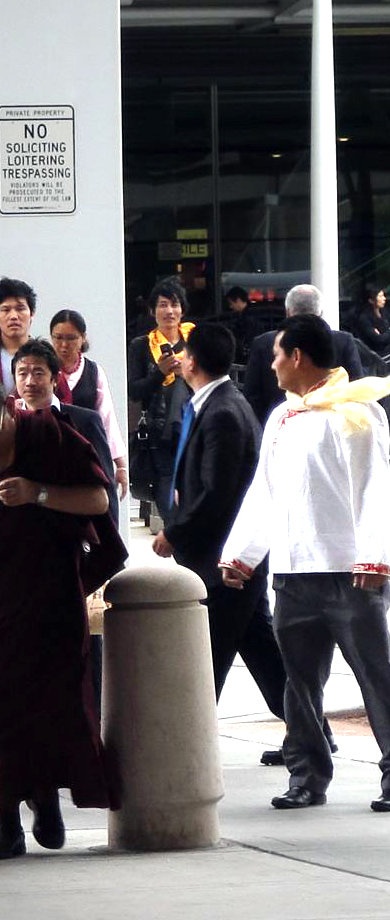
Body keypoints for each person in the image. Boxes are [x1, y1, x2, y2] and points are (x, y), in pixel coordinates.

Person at [0, 373, 123, 860]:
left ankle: (46, 798)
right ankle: (5, 822)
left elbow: (99, 499)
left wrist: (38, 493)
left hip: (47, 599)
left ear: (8, 408)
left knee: (50, 705)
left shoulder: (48, 436)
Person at [220, 315, 390, 812]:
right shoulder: (282, 418)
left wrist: (374, 557)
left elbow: (376, 491)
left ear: (298, 357)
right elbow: (264, 493)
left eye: (276, 354)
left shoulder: (357, 415)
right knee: (299, 685)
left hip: (350, 574)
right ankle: (307, 776)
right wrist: (243, 555)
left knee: (376, 677)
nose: (270, 365)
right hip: (293, 573)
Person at [151, 322, 308, 767]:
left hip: (227, 560)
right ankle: (310, 732)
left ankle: (185, 746)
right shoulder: (215, 404)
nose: (178, 358)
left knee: (209, 655)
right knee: (261, 650)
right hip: (229, 560)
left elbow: (218, 494)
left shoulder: (223, 411)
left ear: (193, 360)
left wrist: (174, 532)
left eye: (182, 353)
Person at [13, 339, 120, 532]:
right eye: (22, 373)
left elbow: (106, 486)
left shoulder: (84, 421)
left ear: (54, 379)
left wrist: (111, 542)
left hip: (74, 529)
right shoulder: (10, 424)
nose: (29, 382)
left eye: (38, 373)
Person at [243, 284, 365, 425]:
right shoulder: (343, 341)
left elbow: (252, 396)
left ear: (288, 312)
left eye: (277, 355)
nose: (274, 365)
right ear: (320, 312)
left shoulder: (263, 342)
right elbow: (356, 387)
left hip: (279, 430)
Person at [127, 277, 194, 522]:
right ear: (153, 311)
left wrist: (184, 373)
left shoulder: (195, 340)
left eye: (174, 305)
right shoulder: (141, 345)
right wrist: (160, 373)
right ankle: (174, 534)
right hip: (159, 430)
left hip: (193, 424)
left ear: (182, 310)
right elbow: (135, 390)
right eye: (163, 305)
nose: (169, 311)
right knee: (166, 486)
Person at [49, 309, 128, 500]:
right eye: (58, 338)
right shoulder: (43, 370)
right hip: (51, 454)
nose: (64, 345)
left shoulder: (94, 372)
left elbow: (106, 420)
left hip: (87, 454)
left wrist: (121, 465)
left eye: (71, 338)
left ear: (83, 339)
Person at [0, 277, 67, 400]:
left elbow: (65, 402)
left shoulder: (47, 356)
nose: (13, 316)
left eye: (20, 308)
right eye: (5, 310)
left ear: (32, 313)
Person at [350, 285, 390, 358]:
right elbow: (378, 340)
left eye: (384, 296)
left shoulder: (385, 312)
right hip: (375, 355)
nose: (384, 299)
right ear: (371, 300)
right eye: (380, 296)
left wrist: (384, 334)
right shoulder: (364, 318)